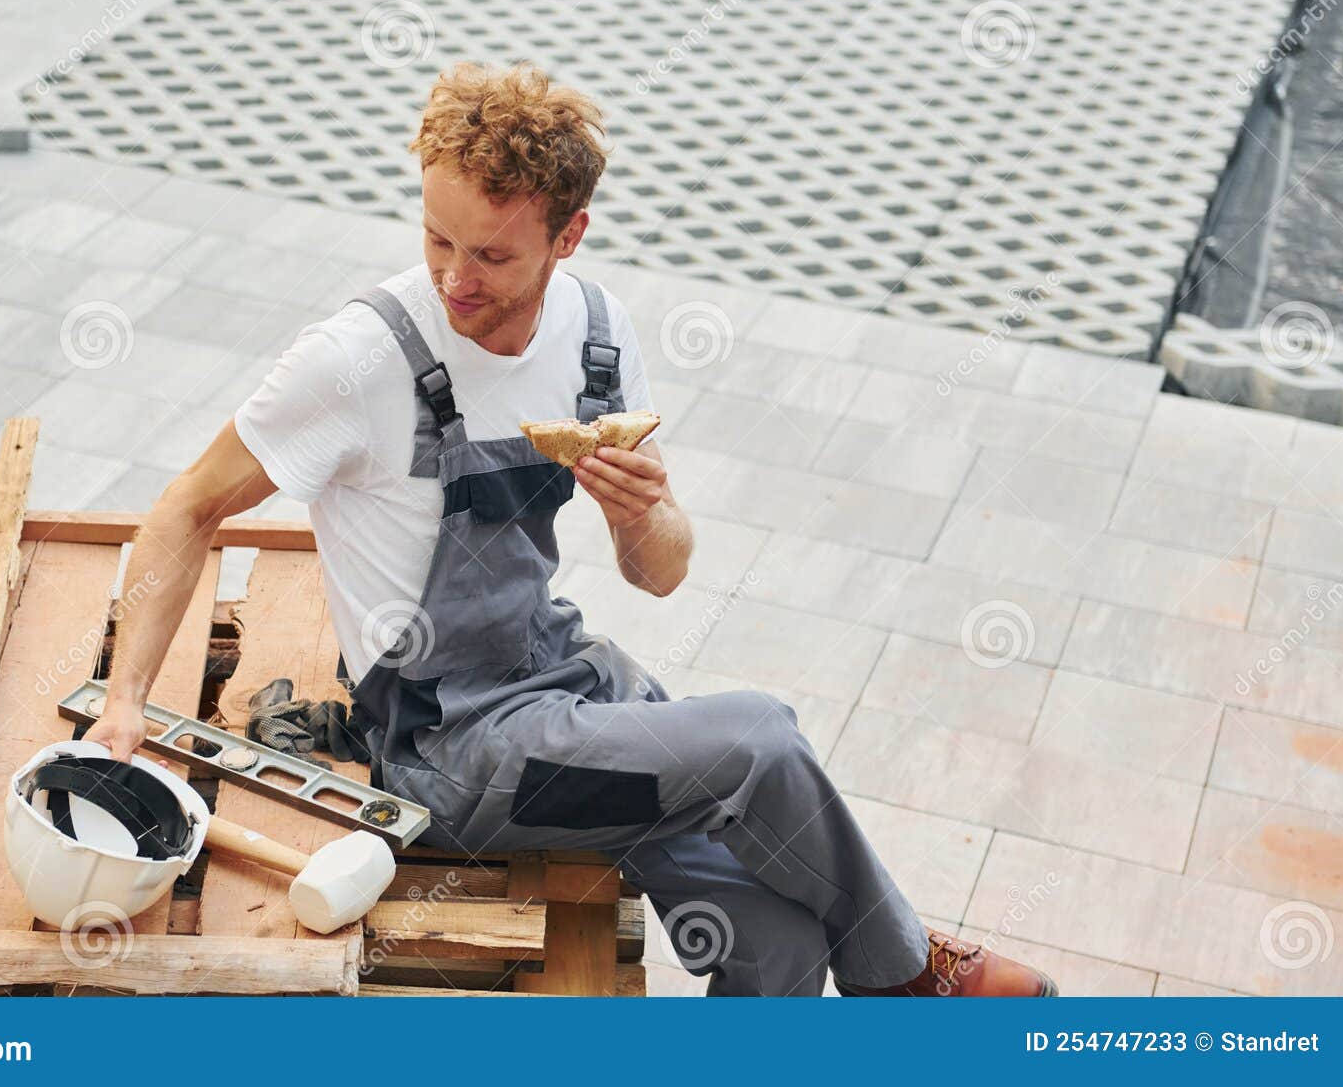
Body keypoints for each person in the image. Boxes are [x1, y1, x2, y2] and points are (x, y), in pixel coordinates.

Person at [84, 61, 1055, 997]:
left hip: (569, 693)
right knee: (760, 733)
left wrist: (644, 510)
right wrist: (129, 696)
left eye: (492, 253)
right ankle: (901, 970)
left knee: (779, 930)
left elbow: (662, 573)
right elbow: (188, 505)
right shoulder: (358, 359)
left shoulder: (596, 336)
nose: (455, 278)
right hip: (453, 750)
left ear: (568, 234)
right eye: (436, 240)